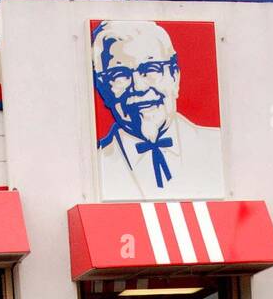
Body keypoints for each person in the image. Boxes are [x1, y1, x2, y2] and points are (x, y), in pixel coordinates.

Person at [92, 20, 224, 200]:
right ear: (103, 89)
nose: (139, 87)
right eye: (120, 75)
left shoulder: (215, 146)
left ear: (174, 76)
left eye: (150, 69)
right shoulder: (95, 163)